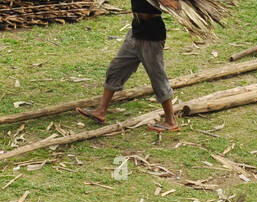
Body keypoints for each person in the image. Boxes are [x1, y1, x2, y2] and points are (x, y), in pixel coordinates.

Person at [76, 0, 183, 133]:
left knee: (157, 78)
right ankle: (101, 112)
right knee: (116, 68)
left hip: (151, 35)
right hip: (135, 31)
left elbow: (176, 5)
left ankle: (171, 121)